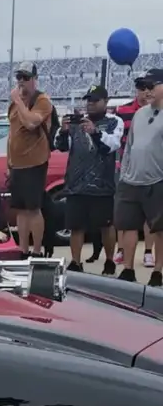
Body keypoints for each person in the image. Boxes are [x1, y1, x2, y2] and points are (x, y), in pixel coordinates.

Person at [54, 85, 123, 275]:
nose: (90, 104)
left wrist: (95, 132)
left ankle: (109, 261)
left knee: (106, 225)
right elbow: (60, 146)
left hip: (102, 184)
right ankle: (76, 262)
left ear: (105, 102)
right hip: (76, 184)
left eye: (95, 100)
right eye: (88, 100)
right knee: (76, 226)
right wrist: (64, 131)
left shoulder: (114, 121)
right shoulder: (77, 122)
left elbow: (113, 144)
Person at [114, 67, 163, 286]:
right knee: (127, 225)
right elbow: (129, 146)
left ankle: (158, 272)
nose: (147, 91)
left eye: (152, 86)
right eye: (144, 87)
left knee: (159, 229)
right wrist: (125, 173)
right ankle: (128, 269)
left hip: (157, 181)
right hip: (131, 180)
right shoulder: (140, 114)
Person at [7, 61, 55, 258]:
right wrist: (9, 162)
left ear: (34, 79)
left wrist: (18, 102)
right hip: (17, 164)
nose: (21, 82)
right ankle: (23, 249)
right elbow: (12, 134)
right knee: (21, 209)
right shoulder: (14, 104)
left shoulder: (41, 100)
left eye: (26, 78)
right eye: (19, 77)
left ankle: (36, 250)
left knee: (33, 208)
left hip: (35, 162)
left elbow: (31, 123)